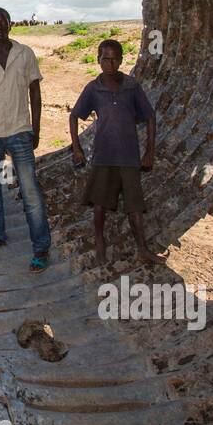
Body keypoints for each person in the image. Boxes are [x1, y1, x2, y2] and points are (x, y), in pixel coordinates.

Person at [0, 7, 53, 271]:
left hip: (19, 130)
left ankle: (40, 248)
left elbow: (35, 94)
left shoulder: (25, 54)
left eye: (2, 21)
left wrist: (35, 129)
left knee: (29, 188)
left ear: (10, 24)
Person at [69, 38, 165, 266]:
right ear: (98, 60)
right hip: (103, 154)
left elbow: (149, 117)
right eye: (105, 59)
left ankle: (143, 249)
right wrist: (77, 148)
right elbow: (74, 116)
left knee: (135, 206)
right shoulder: (94, 88)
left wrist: (150, 151)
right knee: (100, 204)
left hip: (129, 155)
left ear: (121, 60)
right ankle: (100, 246)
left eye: (114, 59)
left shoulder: (132, 86)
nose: (110, 64)